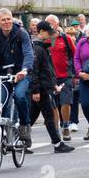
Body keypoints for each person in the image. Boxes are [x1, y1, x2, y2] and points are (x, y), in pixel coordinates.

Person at [0, 8, 34, 145]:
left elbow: (28, 53)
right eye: (3, 20)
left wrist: (25, 69)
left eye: (8, 19)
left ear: (12, 19)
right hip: (3, 73)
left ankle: (25, 126)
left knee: (19, 96)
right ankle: (1, 131)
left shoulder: (22, 33)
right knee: (0, 102)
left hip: (21, 72)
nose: (6, 22)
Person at [27, 22, 74, 154]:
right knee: (49, 116)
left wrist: (53, 85)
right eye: (49, 33)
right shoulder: (37, 48)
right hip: (40, 88)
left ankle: (20, 141)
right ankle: (57, 143)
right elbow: (35, 71)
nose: (51, 36)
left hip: (43, 86)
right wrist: (36, 90)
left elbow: (47, 70)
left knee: (31, 117)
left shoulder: (41, 47)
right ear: (41, 32)